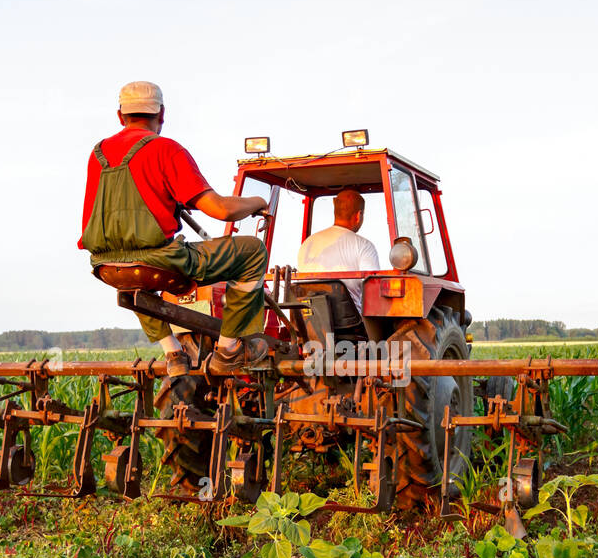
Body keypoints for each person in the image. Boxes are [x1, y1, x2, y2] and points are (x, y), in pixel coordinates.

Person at [79, 80, 272, 375]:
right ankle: (230, 349)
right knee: (253, 251)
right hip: (161, 258)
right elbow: (220, 209)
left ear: (120, 115)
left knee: (136, 275)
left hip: (106, 266)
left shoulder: (98, 154)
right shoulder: (165, 149)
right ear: (162, 114)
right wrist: (257, 201)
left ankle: (174, 354)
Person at [296, 189, 381, 309]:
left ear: (335, 213)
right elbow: (374, 291)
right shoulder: (364, 246)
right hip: (351, 324)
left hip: (309, 321)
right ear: (358, 215)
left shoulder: (307, 243)